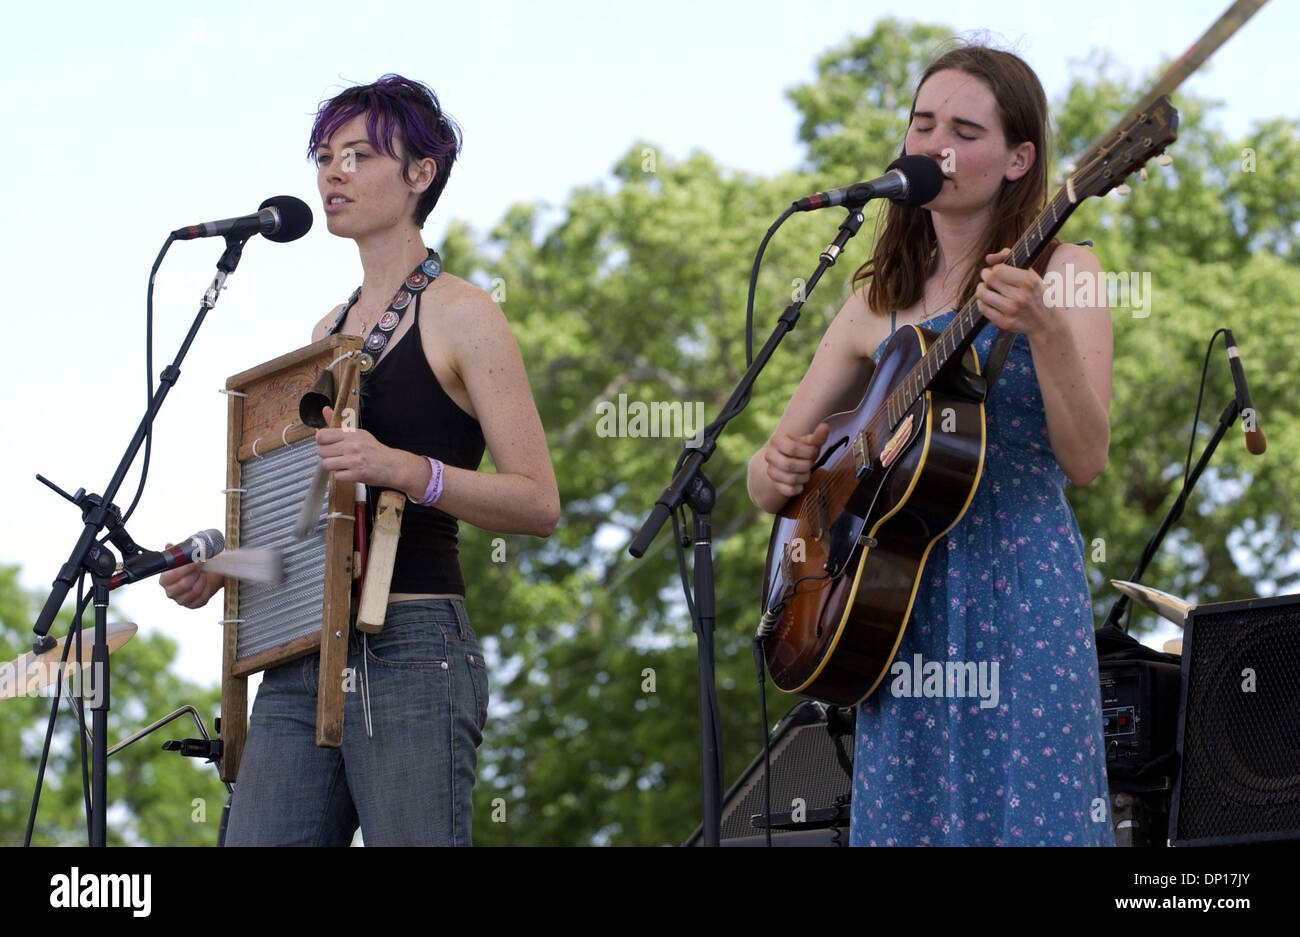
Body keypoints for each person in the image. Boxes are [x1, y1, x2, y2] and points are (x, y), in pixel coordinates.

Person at [161, 74, 559, 846]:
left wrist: (408, 469)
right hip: (304, 654)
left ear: (421, 173)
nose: (331, 173)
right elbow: (315, 529)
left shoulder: (464, 313)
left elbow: (538, 502)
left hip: (413, 647)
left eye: (358, 155)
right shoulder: (328, 328)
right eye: (323, 156)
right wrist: (227, 568)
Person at [747, 46, 1114, 846]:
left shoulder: (1067, 270)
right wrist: (769, 467)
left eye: (964, 129)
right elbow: (772, 475)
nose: (935, 145)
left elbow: (1086, 459)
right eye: (923, 123)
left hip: (1022, 589)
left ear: (1021, 159)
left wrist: (1044, 330)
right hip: (888, 606)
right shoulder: (874, 304)